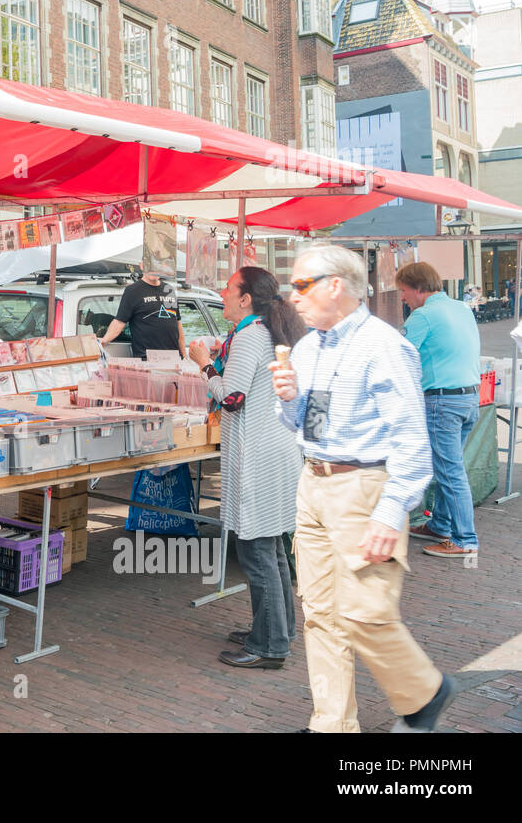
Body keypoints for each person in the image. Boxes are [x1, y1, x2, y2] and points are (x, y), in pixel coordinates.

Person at [272, 245, 456, 733]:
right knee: (319, 615)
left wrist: (391, 509)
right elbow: (305, 424)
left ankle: (426, 692)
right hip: (313, 482)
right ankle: (331, 725)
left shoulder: (384, 346)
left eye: (302, 284)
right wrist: (288, 400)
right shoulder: (310, 346)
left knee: (364, 614)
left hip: (363, 486)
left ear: (337, 285)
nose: (293, 296)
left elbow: (413, 440)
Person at [187, 267, 305, 670]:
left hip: (260, 456)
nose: (221, 292)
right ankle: (277, 627)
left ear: (245, 298)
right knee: (270, 547)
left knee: (256, 548)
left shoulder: (252, 337)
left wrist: (205, 365)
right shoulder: (268, 334)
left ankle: (269, 645)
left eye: (228, 287)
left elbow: (232, 397)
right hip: (275, 451)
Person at [396, 262, 482, 560]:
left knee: (450, 472)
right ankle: (441, 525)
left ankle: (464, 540)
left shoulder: (423, 316)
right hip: (469, 397)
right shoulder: (461, 307)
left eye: (404, 290)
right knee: (452, 468)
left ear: (418, 288)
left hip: (442, 401)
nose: (402, 297)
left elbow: (398, 356)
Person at [101, 272, 186, 359]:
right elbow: (119, 321)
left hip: (174, 359)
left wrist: (184, 356)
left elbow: (177, 323)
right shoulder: (133, 290)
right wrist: (103, 341)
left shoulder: (169, 289)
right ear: (142, 266)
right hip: (147, 360)